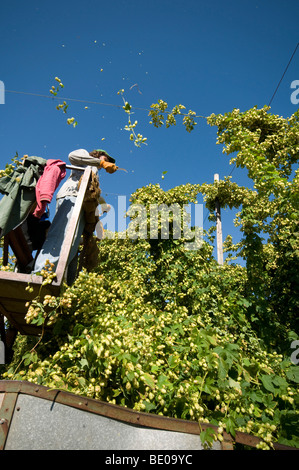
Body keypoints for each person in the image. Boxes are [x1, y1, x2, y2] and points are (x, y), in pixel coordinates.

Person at [33, 148, 118, 285]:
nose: (106, 162)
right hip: (72, 198)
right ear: (97, 155)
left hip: (82, 205)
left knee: (72, 241)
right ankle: (41, 271)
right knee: (60, 234)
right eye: (105, 159)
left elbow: (92, 191)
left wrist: (102, 204)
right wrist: (100, 163)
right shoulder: (85, 157)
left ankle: (62, 279)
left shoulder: (93, 171)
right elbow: (72, 156)